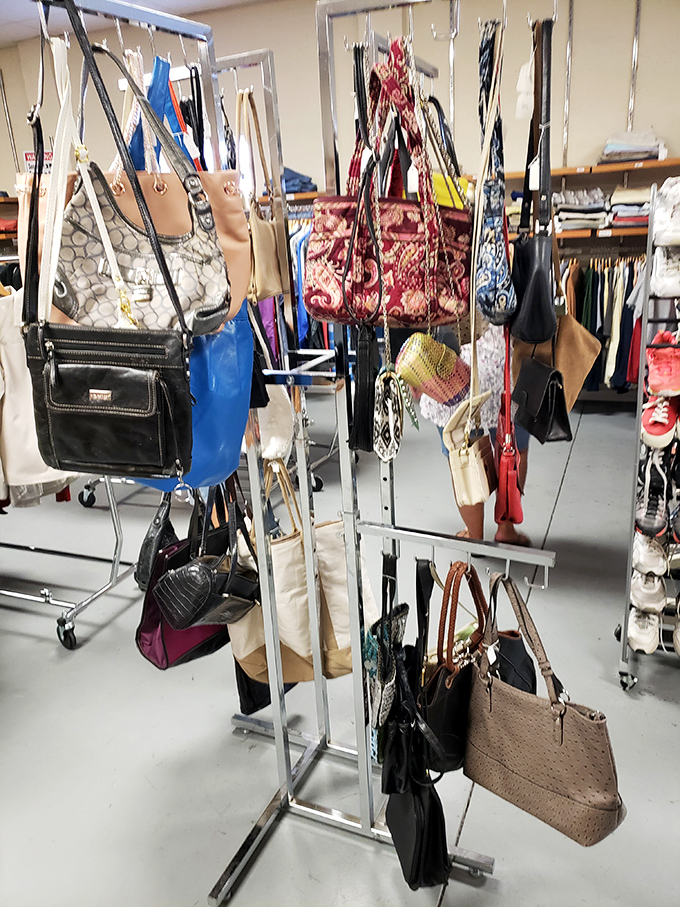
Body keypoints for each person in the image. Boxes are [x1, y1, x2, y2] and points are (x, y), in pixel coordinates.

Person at [419, 323, 531, 546]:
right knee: (513, 449)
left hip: (453, 366)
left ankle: (474, 533)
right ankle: (506, 528)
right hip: (509, 363)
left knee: (462, 453)